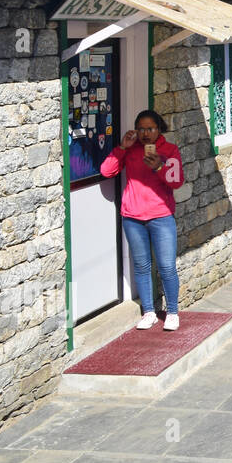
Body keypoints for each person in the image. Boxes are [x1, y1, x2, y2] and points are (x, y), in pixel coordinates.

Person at [100, 110, 185, 331]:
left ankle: (173, 312)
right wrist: (122, 148)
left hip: (161, 216)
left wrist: (159, 166)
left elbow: (176, 182)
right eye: (141, 129)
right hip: (133, 217)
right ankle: (149, 312)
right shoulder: (131, 150)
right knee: (141, 265)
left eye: (150, 129)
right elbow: (107, 171)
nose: (145, 134)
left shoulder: (169, 150)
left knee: (166, 267)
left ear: (159, 129)